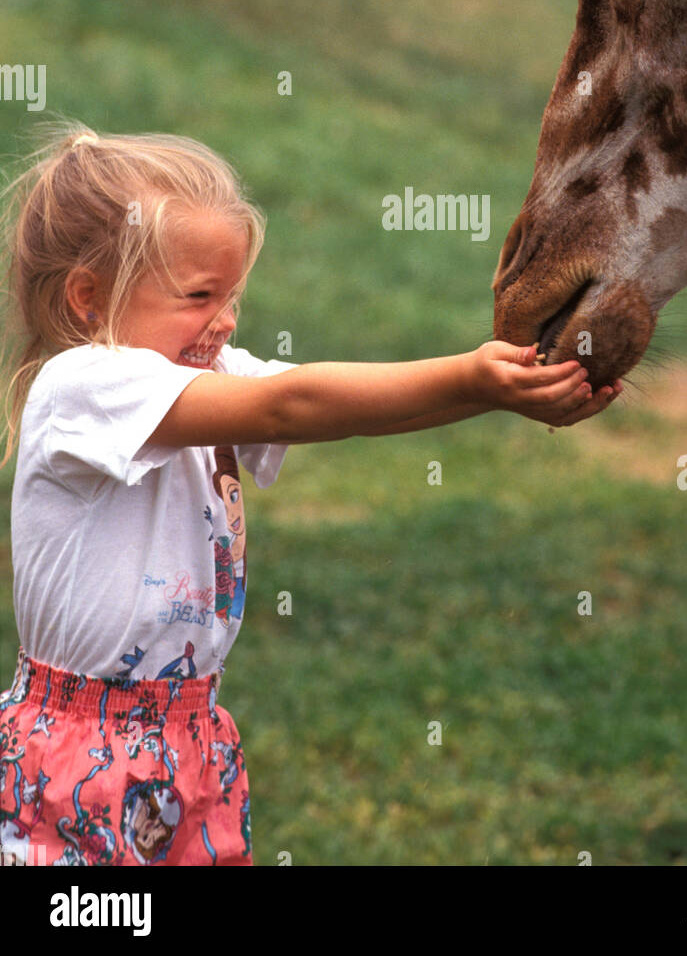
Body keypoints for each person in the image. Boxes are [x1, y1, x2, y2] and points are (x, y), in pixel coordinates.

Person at [0, 122, 621, 866]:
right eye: (199, 295)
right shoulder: (83, 387)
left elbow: (348, 412)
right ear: (87, 298)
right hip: (78, 752)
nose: (225, 320)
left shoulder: (204, 374)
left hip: (187, 735)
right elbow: (291, 403)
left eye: (232, 295)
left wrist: (497, 393)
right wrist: (469, 376)